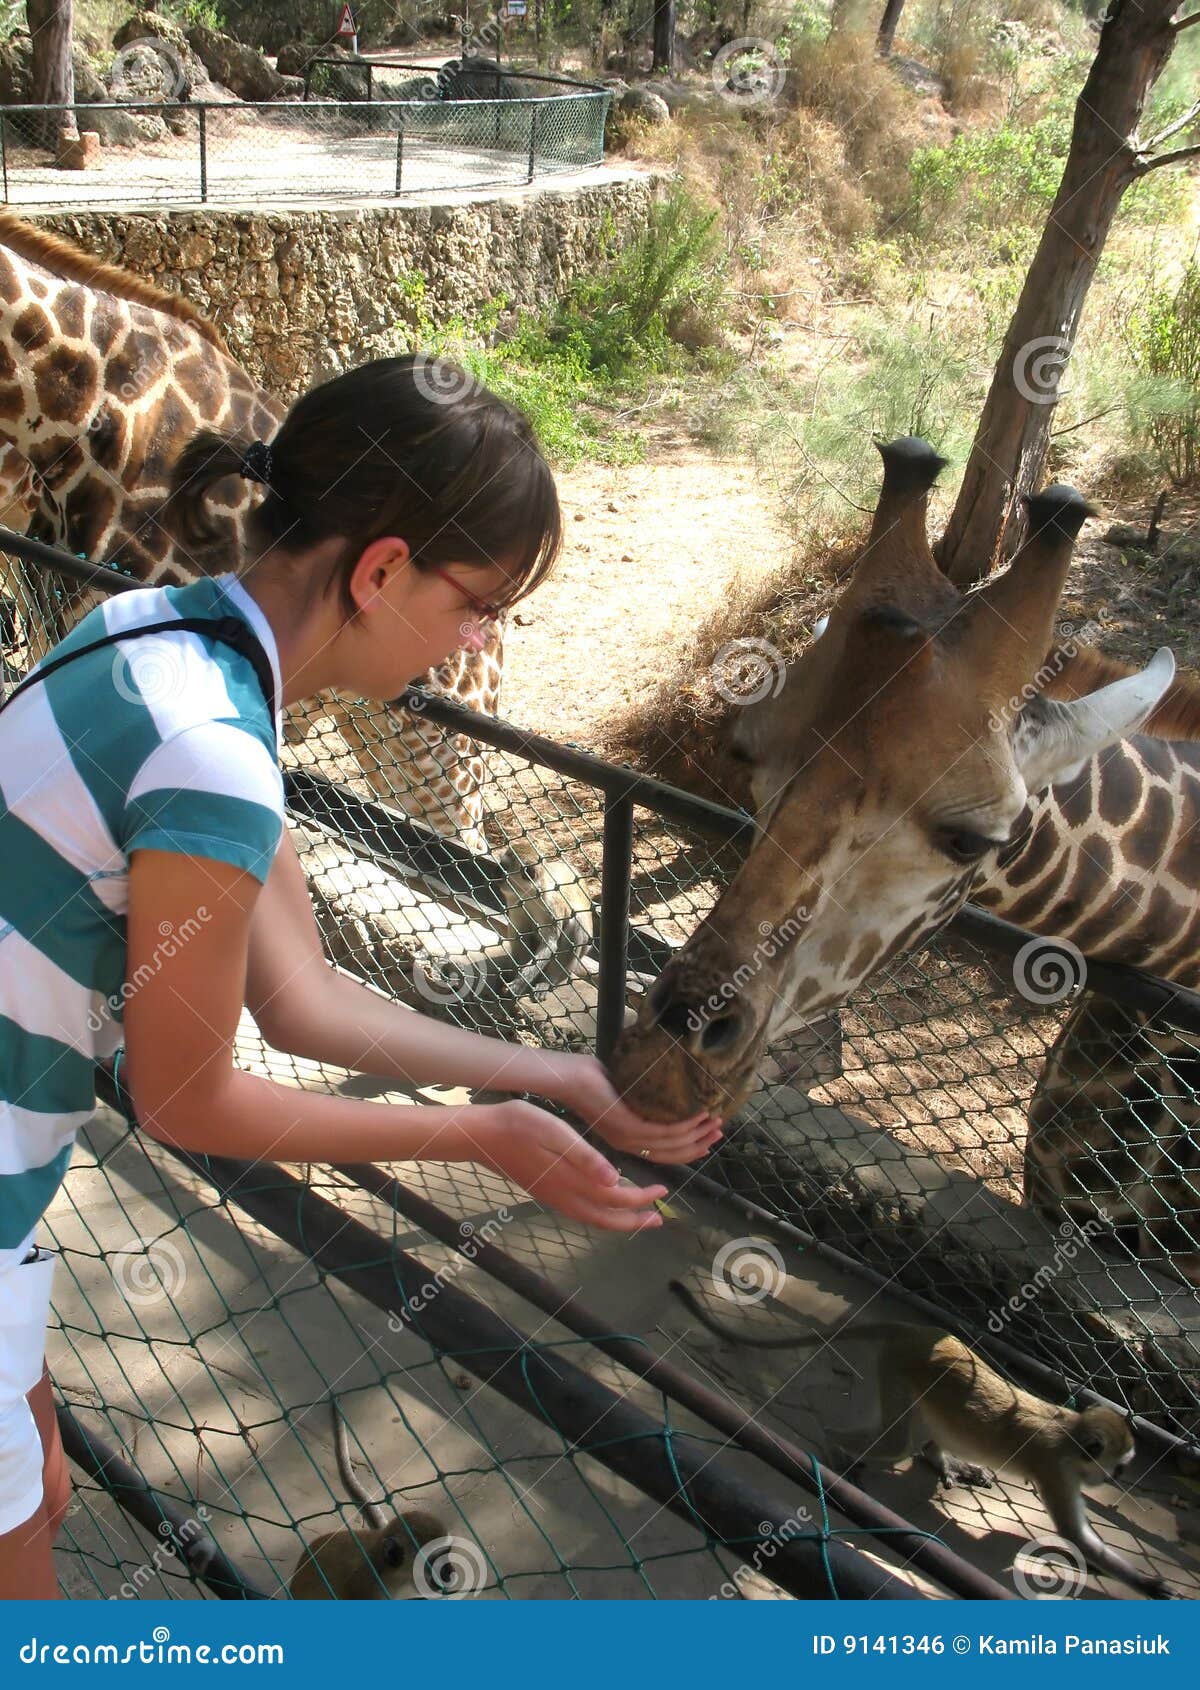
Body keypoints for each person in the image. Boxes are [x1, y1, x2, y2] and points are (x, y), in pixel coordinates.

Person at [0, 356, 721, 1599]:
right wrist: (481, 1139)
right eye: (479, 601)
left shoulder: (159, 634)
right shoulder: (215, 755)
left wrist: (551, 1078)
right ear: (382, 570)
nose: (480, 637)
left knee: (44, 1504)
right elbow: (184, 1099)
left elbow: (304, 999)